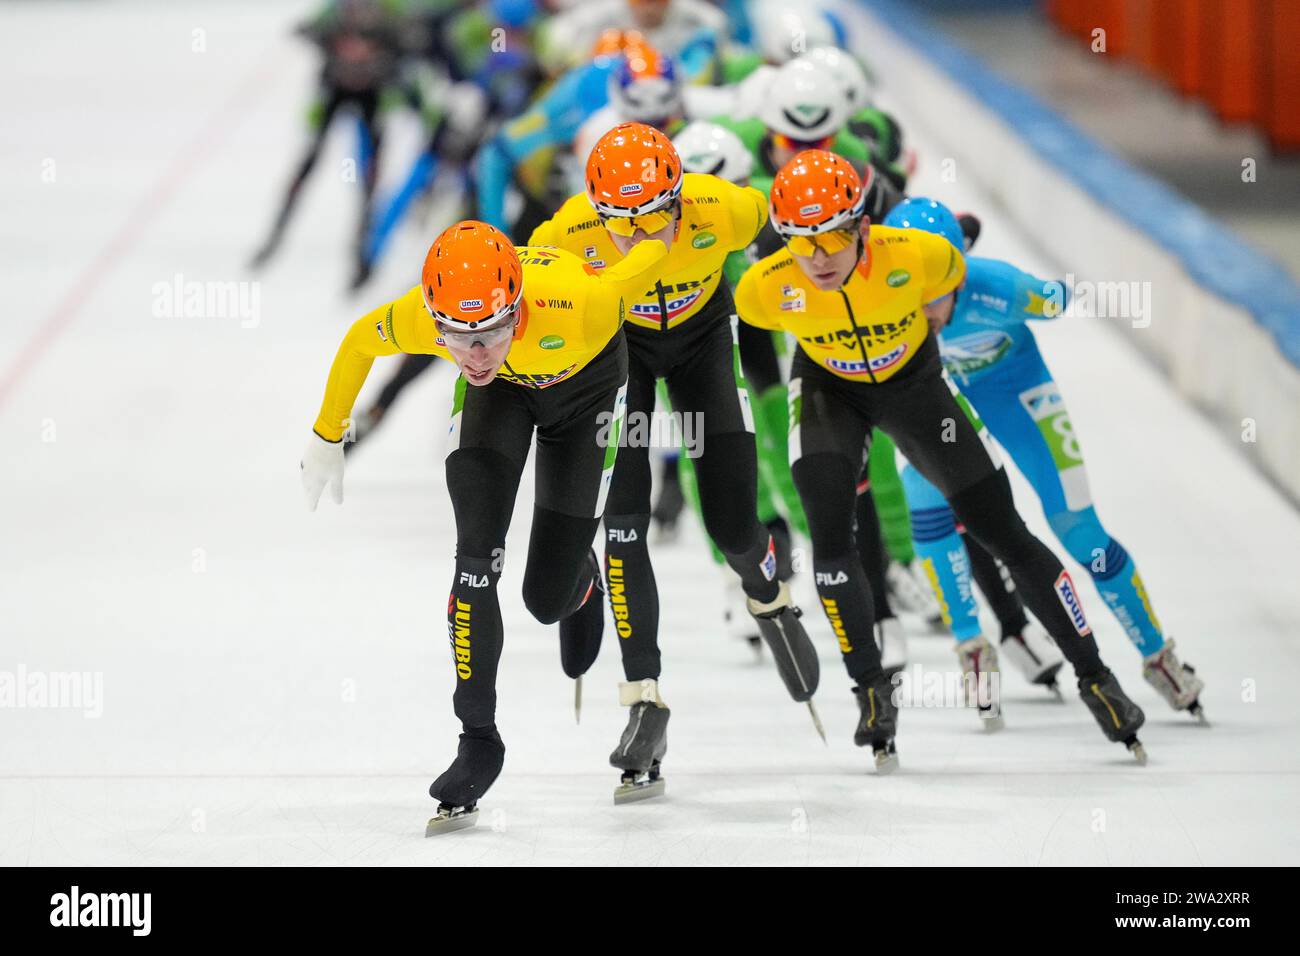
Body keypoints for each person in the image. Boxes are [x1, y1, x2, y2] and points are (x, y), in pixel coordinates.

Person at [734, 151, 1148, 770]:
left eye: (832, 237)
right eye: (801, 241)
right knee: (831, 540)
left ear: (862, 228)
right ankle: (871, 690)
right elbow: (753, 344)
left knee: (1004, 532)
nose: (818, 257)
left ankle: (1096, 676)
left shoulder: (922, 257)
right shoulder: (764, 290)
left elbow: (957, 290)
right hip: (829, 393)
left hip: (914, 388)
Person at [301, 220, 669, 833]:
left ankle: (579, 580)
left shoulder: (587, 301)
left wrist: (652, 233)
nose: (474, 353)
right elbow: (359, 341)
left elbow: (647, 261)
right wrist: (325, 435)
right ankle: (478, 739)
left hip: (587, 404)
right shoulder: (437, 324)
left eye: (492, 333)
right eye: (455, 337)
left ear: (517, 305)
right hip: (498, 401)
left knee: (543, 600)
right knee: (474, 563)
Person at [529, 123, 822, 800]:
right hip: (620, 359)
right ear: (595, 209)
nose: (637, 235)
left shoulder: (724, 207)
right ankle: (643, 697)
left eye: (655, 215)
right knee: (624, 526)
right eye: (619, 223)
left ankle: (770, 599)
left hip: (702, 353)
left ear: (681, 194)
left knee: (734, 529)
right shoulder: (567, 233)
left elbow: (801, 230)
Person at [884, 197, 1207, 721]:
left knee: (1078, 528)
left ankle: (1156, 653)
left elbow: (1055, 299)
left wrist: (1048, 294)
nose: (924, 316)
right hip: (946, 399)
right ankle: (971, 646)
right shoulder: (884, 292)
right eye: (911, 300)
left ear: (958, 272)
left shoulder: (999, 287)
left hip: (1019, 395)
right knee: (924, 500)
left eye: (936, 298)